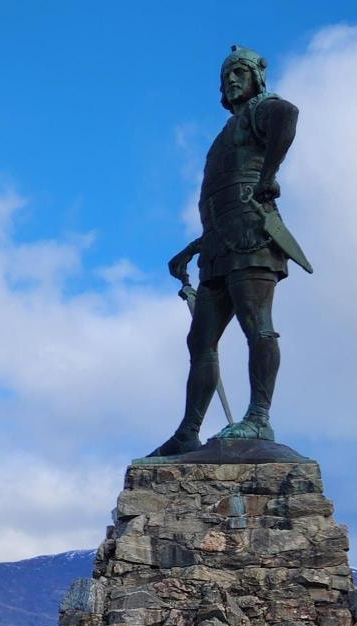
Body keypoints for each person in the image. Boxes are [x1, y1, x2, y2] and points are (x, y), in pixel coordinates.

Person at [147, 45, 313, 458]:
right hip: (218, 243)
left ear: (256, 76)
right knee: (200, 339)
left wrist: (270, 176)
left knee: (257, 325)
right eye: (226, 76)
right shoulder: (226, 131)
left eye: (239, 72)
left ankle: (259, 415)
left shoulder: (264, 109)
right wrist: (194, 246)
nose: (231, 80)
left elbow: (288, 117)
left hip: (252, 237)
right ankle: (188, 431)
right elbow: (222, 197)